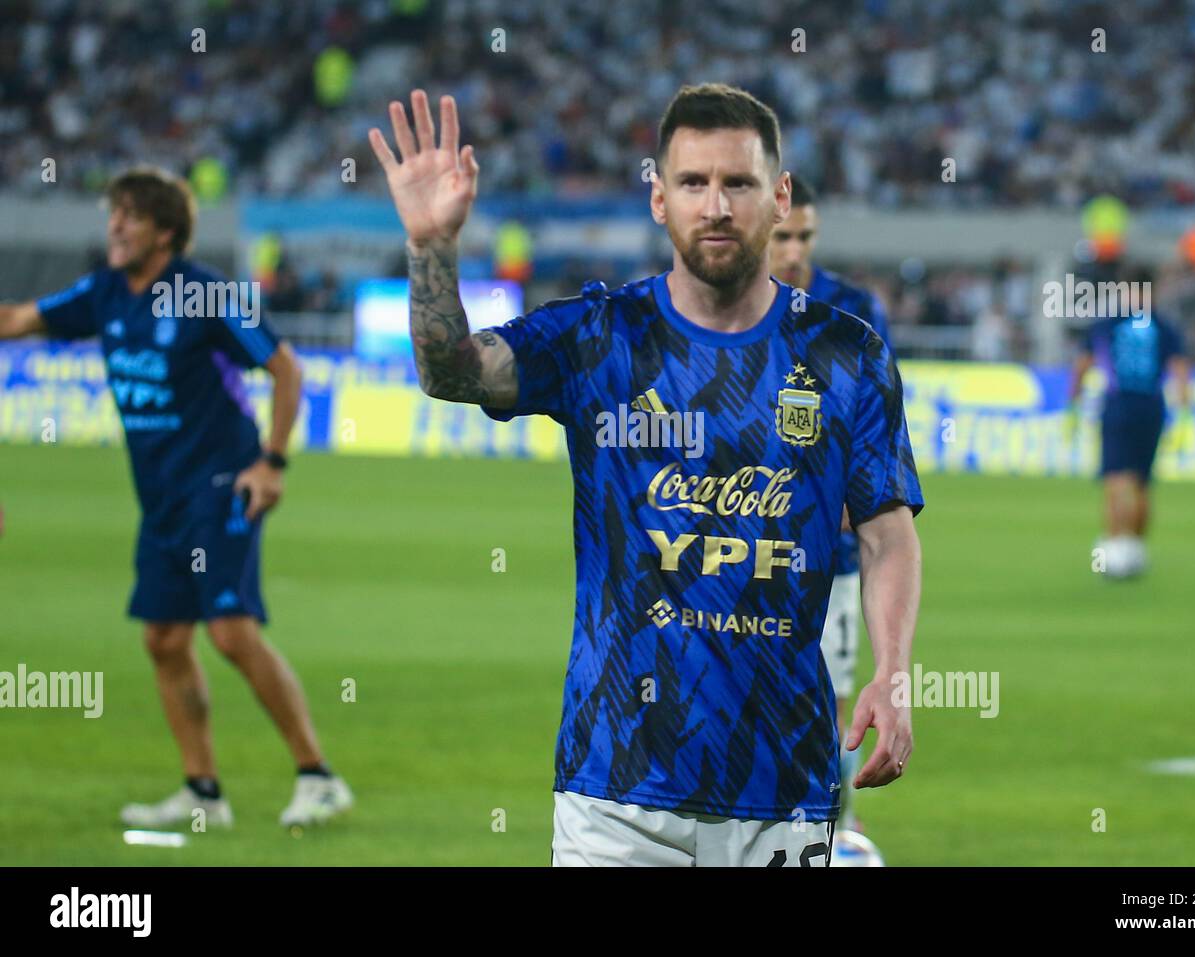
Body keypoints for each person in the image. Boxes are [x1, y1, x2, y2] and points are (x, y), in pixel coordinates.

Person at [369, 82, 923, 866]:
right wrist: (431, 245)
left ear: (780, 194)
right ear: (659, 199)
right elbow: (451, 372)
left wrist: (893, 676)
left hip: (783, 788)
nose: (717, 205)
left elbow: (887, 534)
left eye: (739, 182)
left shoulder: (847, 353)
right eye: (694, 183)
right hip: (614, 788)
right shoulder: (602, 338)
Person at [0, 167, 352, 828]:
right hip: (160, 498)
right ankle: (202, 792)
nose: (114, 226)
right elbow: (19, 317)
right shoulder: (104, 292)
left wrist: (272, 462)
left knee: (229, 630)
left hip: (222, 482)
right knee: (164, 638)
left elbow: (285, 367)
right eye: (112, 214)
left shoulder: (208, 293)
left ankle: (318, 775)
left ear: (164, 231)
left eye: (128, 216)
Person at [771, 173, 892, 847]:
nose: (794, 251)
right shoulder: (727, 309)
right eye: (783, 236)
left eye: (805, 237)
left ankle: (834, 826)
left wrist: (850, 496)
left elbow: (879, 423)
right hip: (744, 544)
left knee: (829, 694)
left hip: (832, 555)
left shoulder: (852, 309)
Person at [1068, 267, 1191, 578]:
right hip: (1152, 407)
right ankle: (1135, 550)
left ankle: (1114, 548)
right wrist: (1186, 409)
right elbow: (1180, 369)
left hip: (1119, 405)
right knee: (1141, 483)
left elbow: (1083, 363)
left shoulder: (1109, 324)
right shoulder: (1163, 325)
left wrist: (1073, 401)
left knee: (1115, 482)